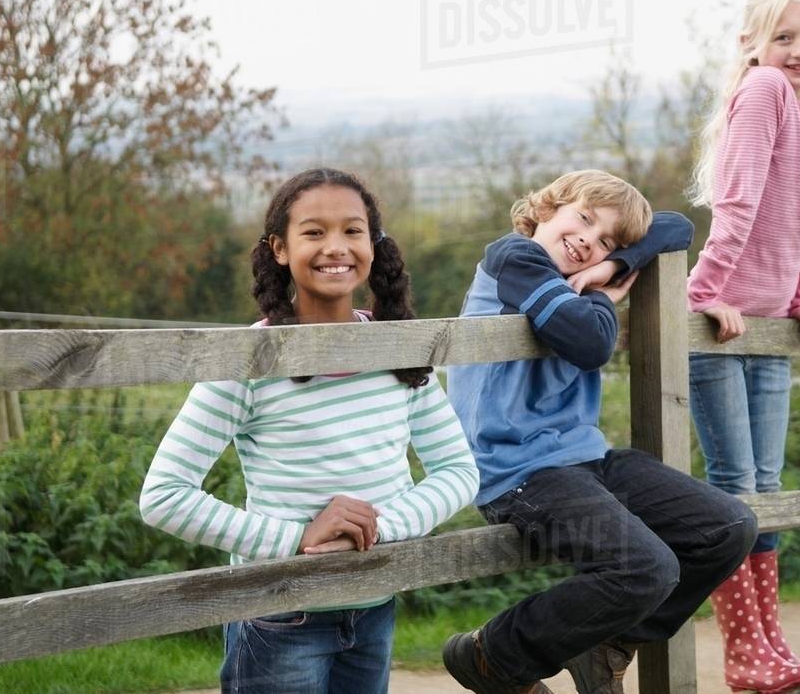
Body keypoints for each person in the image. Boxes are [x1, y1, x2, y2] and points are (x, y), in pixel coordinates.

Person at [139, 168, 479, 694]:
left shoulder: (399, 352)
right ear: (280, 248)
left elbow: (459, 472)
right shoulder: (252, 360)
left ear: (373, 244)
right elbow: (163, 496)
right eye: (314, 232)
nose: (335, 248)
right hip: (279, 614)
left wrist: (379, 526)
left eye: (352, 231)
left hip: (374, 602)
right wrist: (295, 539)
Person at [442, 169, 757, 694]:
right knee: (647, 568)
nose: (589, 239)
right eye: (583, 219)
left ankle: (608, 642)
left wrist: (611, 264)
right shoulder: (515, 259)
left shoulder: (585, 267)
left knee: (727, 529)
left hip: (584, 457)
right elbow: (590, 342)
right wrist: (602, 298)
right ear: (546, 209)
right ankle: (494, 655)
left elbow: (675, 227)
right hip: (515, 468)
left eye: (607, 238)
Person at [687, 0, 800, 692]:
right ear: (752, 45)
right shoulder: (763, 92)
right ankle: (743, 653)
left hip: (772, 321)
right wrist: (702, 294)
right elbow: (740, 195)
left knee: (769, 487)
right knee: (736, 486)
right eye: (783, 36)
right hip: (720, 320)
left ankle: (771, 644)